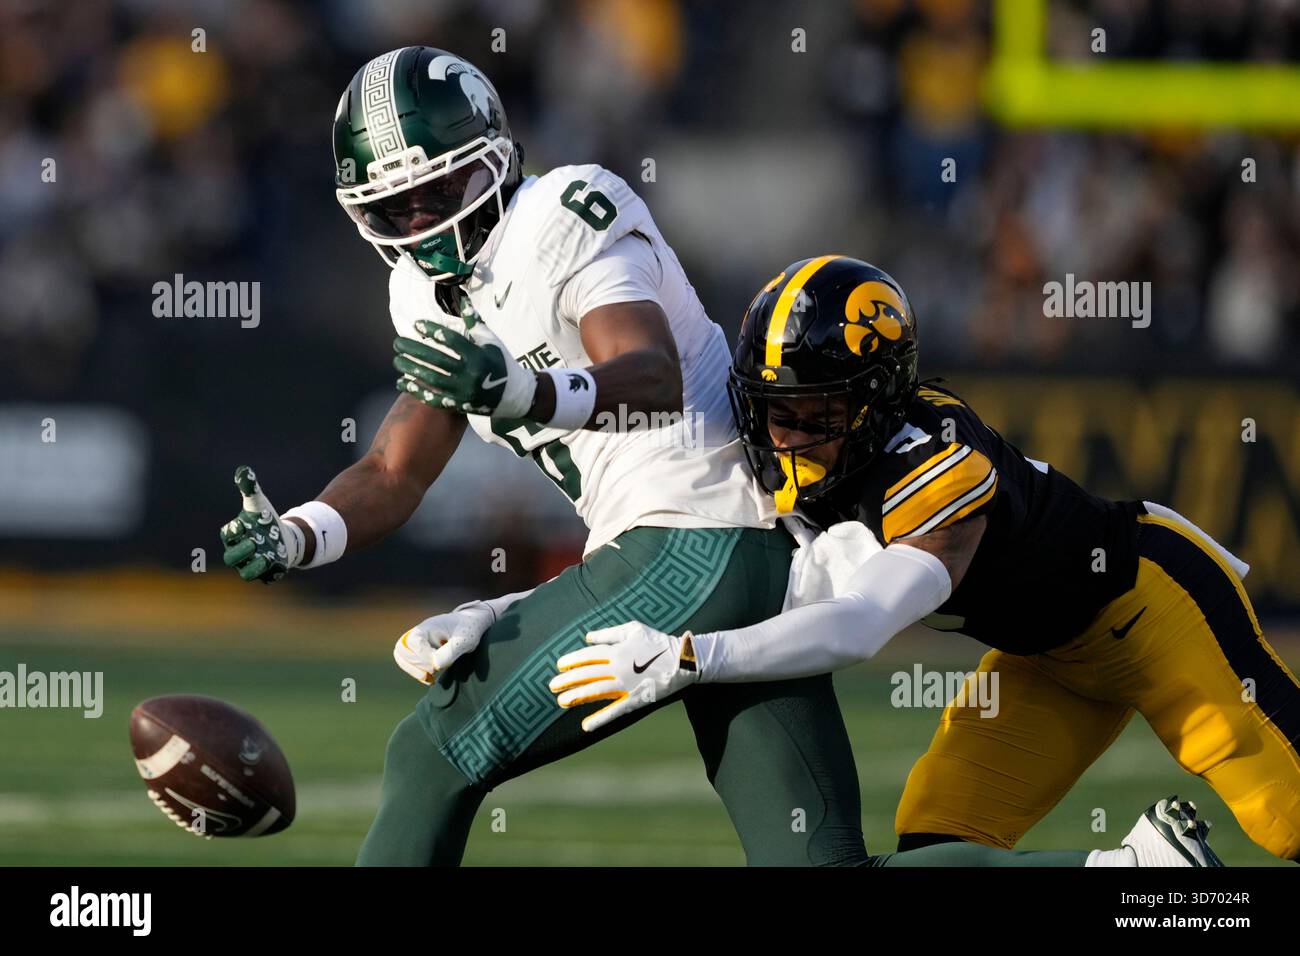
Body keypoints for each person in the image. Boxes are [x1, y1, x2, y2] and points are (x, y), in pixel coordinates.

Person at [549, 254, 1298, 864]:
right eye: (775, 410)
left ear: (877, 403)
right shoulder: (801, 454)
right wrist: (495, 610)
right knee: (940, 848)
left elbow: (861, 626)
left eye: (816, 414)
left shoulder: (938, 470)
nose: (787, 437)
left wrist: (691, 656)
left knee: (1287, 815)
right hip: (1043, 658)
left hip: (1146, 603)